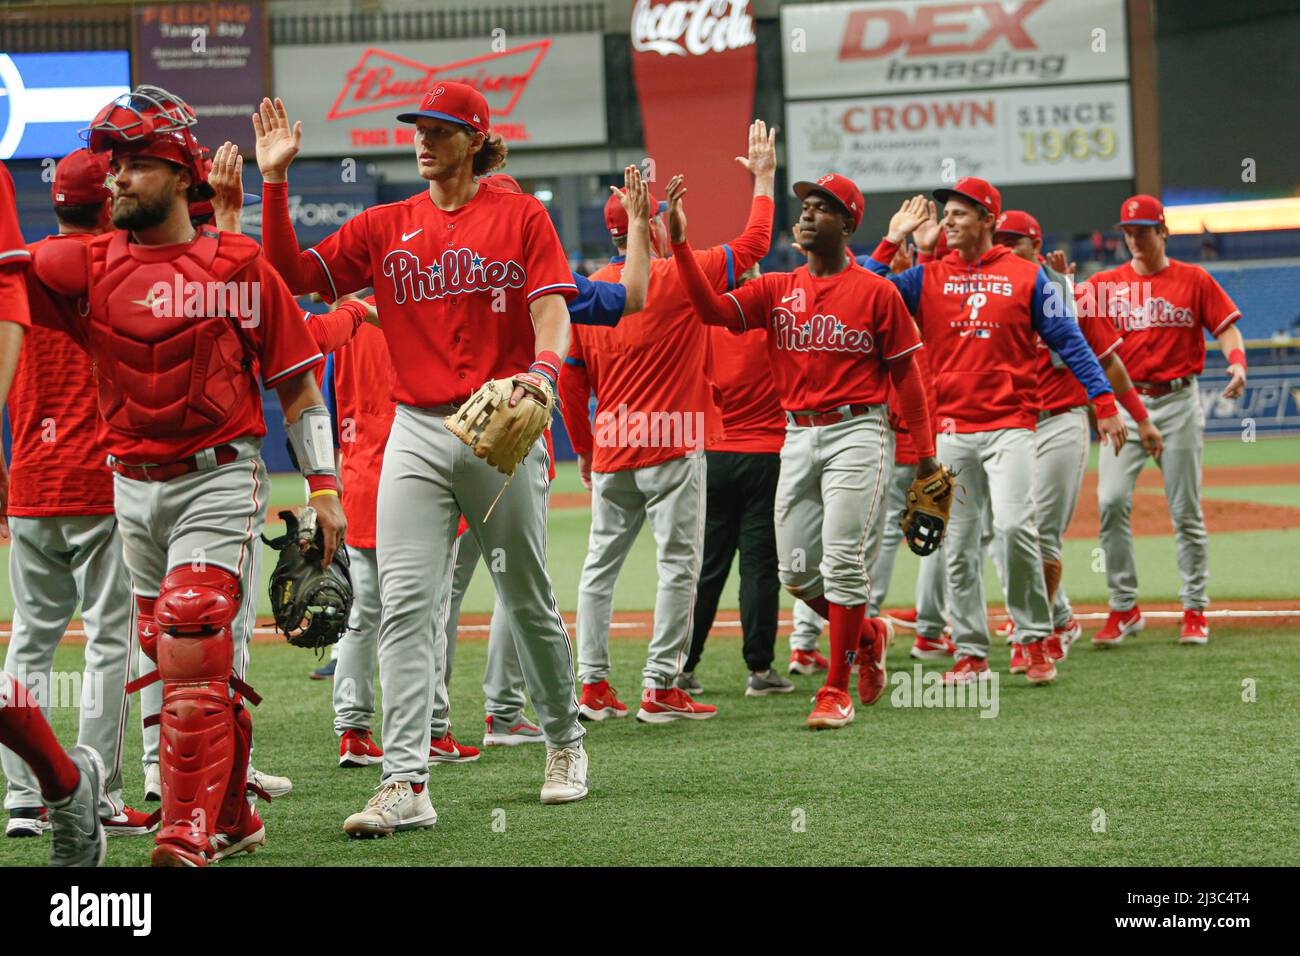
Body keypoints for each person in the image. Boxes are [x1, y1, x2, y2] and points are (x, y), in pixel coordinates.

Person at [253, 83, 592, 836]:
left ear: (474, 140)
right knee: (406, 604)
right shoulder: (385, 224)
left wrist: (543, 372)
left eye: (440, 130)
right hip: (416, 428)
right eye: (417, 127)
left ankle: (565, 742)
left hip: (497, 427)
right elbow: (295, 274)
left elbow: (552, 311)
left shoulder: (521, 215)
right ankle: (405, 780)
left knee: (525, 594)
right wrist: (273, 181)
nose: (423, 139)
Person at [27, 86, 342, 867]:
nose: (118, 179)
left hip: (218, 474)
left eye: (135, 165)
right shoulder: (87, 267)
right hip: (129, 484)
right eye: (113, 167)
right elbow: (14, 270)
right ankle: (234, 814)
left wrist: (325, 489)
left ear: (177, 172)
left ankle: (185, 832)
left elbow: (299, 383)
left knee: (193, 626)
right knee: (161, 657)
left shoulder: (237, 266)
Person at [668, 170, 938, 730]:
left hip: (857, 431)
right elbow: (712, 312)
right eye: (806, 205)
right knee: (794, 570)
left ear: (848, 223)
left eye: (823, 206)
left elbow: (907, 377)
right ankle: (868, 635)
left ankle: (834, 689)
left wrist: (928, 456)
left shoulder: (877, 291)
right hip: (795, 434)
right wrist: (678, 246)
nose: (808, 213)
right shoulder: (776, 288)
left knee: (841, 561)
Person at [558, 121, 776, 724]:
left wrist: (585, 449)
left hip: (615, 444)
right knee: (678, 563)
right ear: (653, 224)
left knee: (600, 565)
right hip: (673, 441)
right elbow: (756, 242)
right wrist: (762, 177)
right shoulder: (683, 274)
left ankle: (593, 687)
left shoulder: (588, 291)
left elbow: (572, 383)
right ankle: (660, 687)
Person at [866, 179, 1124, 686]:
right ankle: (970, 654)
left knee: (1013, 527)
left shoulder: (1030, 278)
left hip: (1010, 424)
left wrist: (1105, 401)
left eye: (960, 213)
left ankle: (1032, 638)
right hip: (952, 430)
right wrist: (892, 239)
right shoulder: (926, 277)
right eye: (946, 215)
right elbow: (863, 294)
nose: (949, 222)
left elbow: (1071, 342)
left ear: (989, 220)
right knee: (956, 543)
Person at [2, 149, 154, 840]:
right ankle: (92, 793)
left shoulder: (18, 270)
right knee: (107, 643)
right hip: (100, 479)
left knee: (28, 639)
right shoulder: (121, 265)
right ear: (106, 202)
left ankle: (22, 797)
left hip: (30, 478)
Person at [991, 208, 1163, 664]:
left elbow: (1108, 362)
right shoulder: (987, 296)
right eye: (1000, 240)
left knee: (1043, 532)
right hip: (1007, 425)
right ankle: (1060, 616)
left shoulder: (1073, 297)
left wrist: (1138, 417)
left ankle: (1036, 632)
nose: (1007, 248)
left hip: (1061, 419)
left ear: (1037, 245)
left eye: (1016, 241)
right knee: (1005, 532)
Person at [1084, 195, 1246, 646]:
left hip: (1177, 404)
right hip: (1124, 404)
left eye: (1143, 230)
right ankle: (1124, 608)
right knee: (1111, 502)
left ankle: (1194, 608)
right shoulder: (1104, 284)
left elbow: (1227, 326)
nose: (1133, 238)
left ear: (1163, 233)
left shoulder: (1193, 279)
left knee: (1186, 511)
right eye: (1128, 231)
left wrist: (1237, 362)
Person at [678, 264, 794, 698]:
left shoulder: (705, 327)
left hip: (714, 455)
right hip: (767, 455)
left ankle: (682, 666)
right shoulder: (774, 325)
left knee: (706, 568)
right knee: (759, 568)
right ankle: (760, 670)